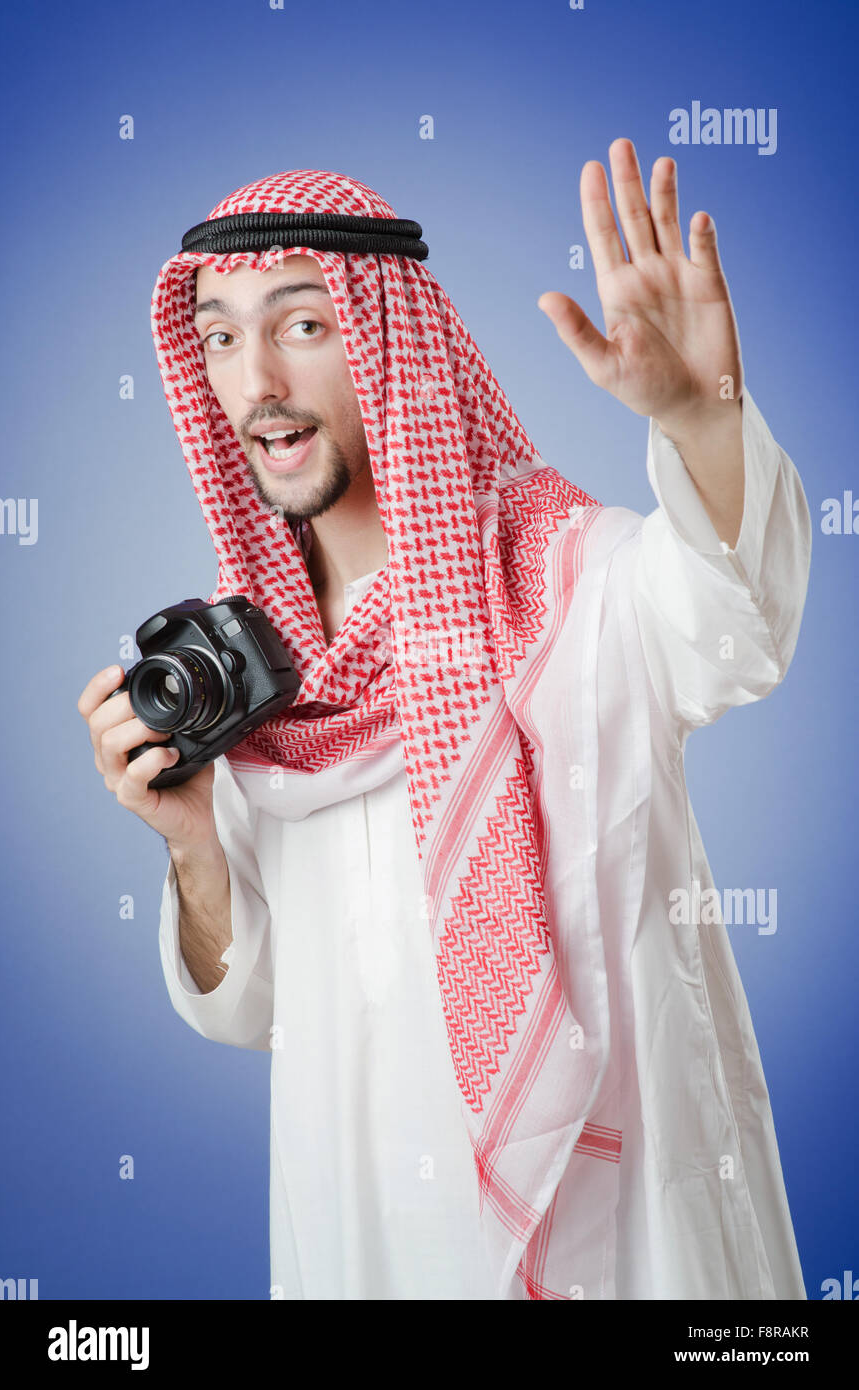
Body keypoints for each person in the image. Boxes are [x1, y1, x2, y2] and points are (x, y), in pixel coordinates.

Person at [77, 140, 811, 1300]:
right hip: (364, 1241)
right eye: (220, 335)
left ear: (389, 342)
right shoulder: (259, 682)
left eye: (302, 324)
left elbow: (741, 623)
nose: (255, 377)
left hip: (617, 1240)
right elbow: (257, 1010)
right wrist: (191, 846)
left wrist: (705, 417)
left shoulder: (573, 580)